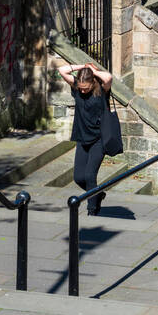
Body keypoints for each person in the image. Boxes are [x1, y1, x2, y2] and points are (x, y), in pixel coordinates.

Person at [57, 61, 113, 215]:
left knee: (89, 175)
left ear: (92, 83)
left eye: (85, 88)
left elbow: (108, 78)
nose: (82, 91)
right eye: (80, 88)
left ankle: (92, 210)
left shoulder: (101, 90)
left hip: (98, 139)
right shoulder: (76, 87)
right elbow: (62, 70)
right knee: (78, 178)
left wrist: (93, 71)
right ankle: (97, 194)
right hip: (82, 138)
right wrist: (82, 67)